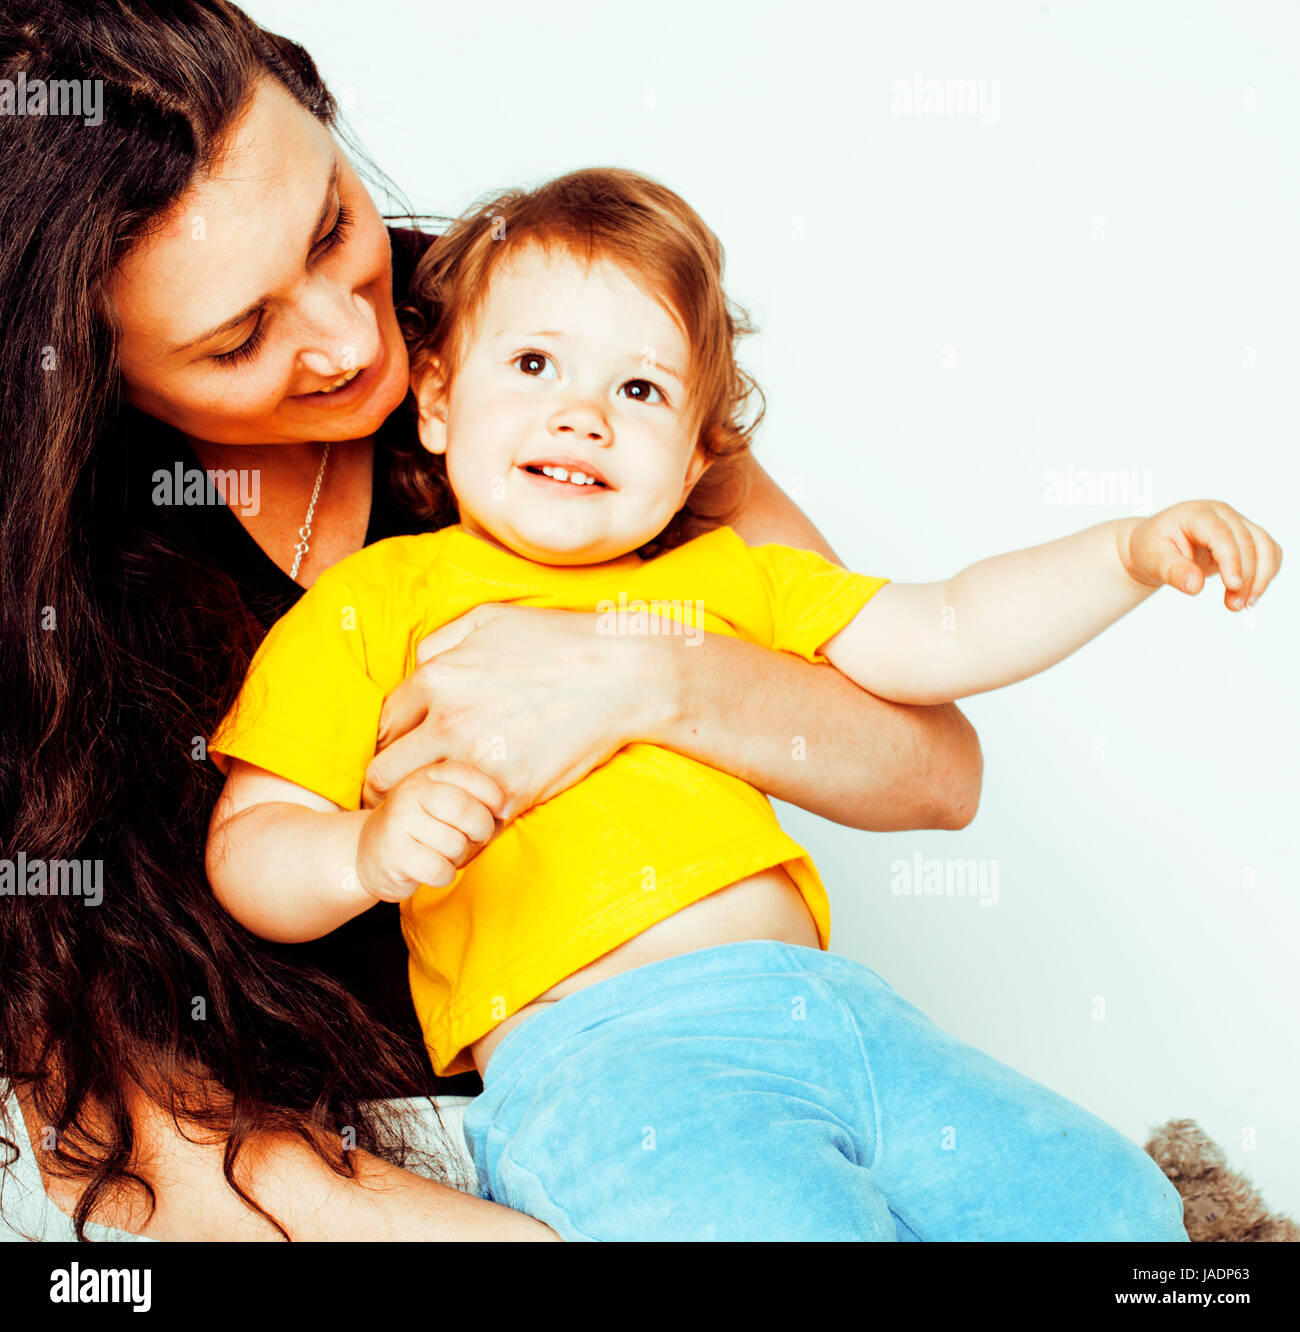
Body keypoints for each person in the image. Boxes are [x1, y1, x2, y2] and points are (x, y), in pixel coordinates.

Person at [0, 2, 982, 1241]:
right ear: (89, 374)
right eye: (242, 339)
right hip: (328, 1199)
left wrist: (639, 675)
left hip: (689, 1105)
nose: (353, 339)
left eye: (333, 227)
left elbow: (933, 773)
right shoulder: (45, 568)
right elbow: (125, 1144)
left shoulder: (547, 339)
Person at [206, 167, 1277, 1239]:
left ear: (697, 460)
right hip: (608, 1059)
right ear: (439, 402)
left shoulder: (731, 578)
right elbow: (252, 842)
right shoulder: (375, 601)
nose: (581, 416)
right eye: (534, 365)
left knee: (1115, 1205)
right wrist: (364, 854)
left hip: (849, 1021)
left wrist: (1126, 554)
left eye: (640, 391)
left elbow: (945, 629)